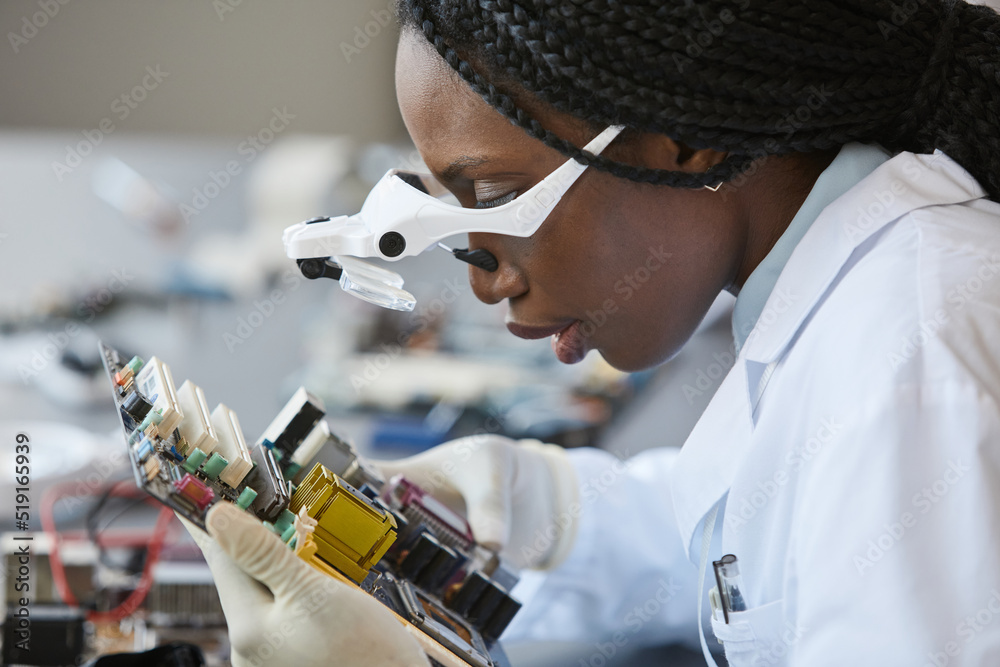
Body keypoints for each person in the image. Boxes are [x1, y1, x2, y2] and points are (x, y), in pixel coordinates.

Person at [187, 1, 1000, 665]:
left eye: (496, 195)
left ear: (683, 135)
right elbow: (763, 556)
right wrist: (544, 506)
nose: (485, 280)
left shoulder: (913, 367)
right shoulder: (832, 298)